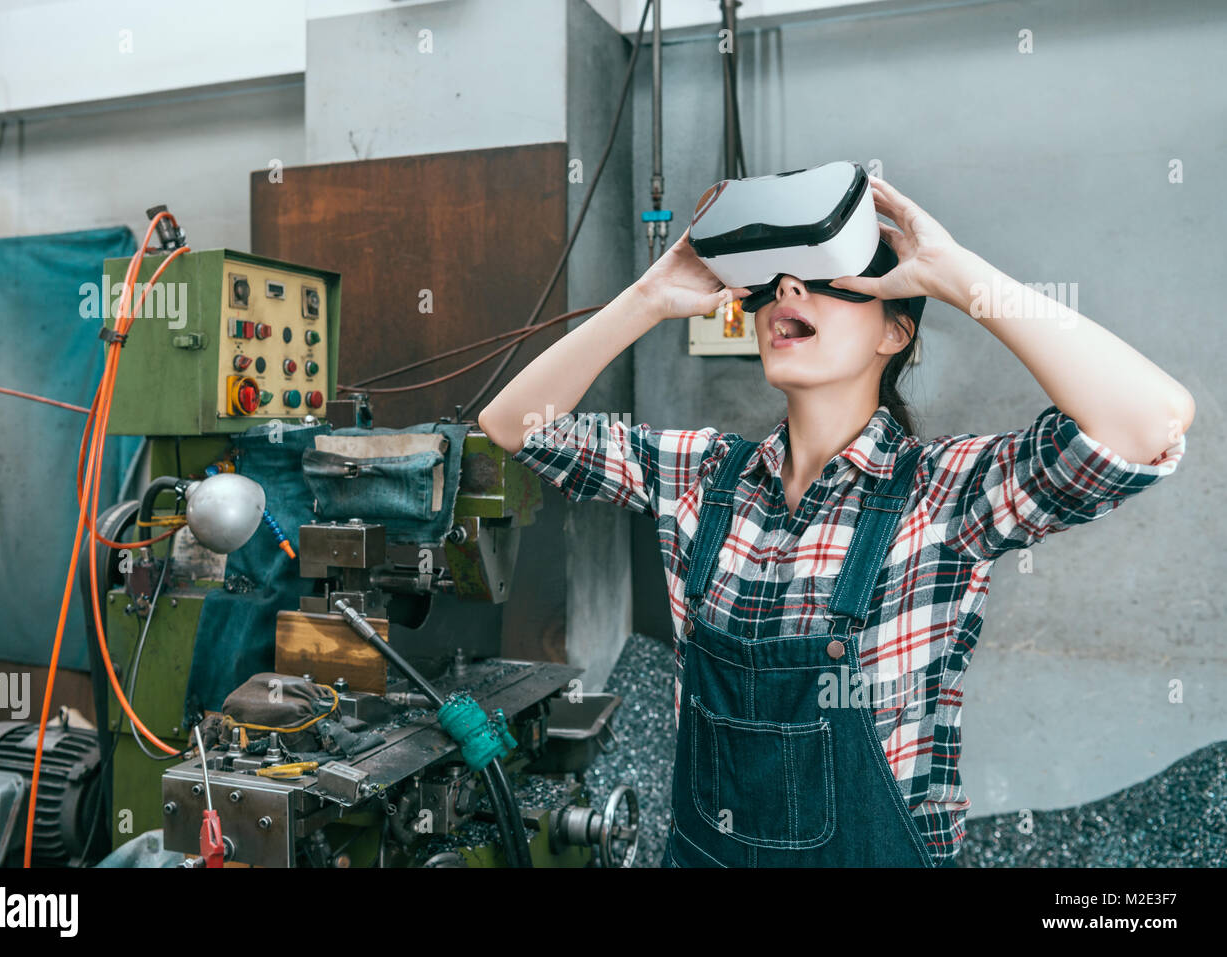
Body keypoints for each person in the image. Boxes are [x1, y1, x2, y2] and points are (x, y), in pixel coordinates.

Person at [477, 174, 1194, 867]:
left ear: (894, 333)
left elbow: (1149, 422)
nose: (790, 289)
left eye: (827, 277)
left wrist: (958, 275)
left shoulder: (944, 496)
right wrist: (647, 297)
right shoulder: (698, 475)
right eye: (779, 280)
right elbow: (513, 424)